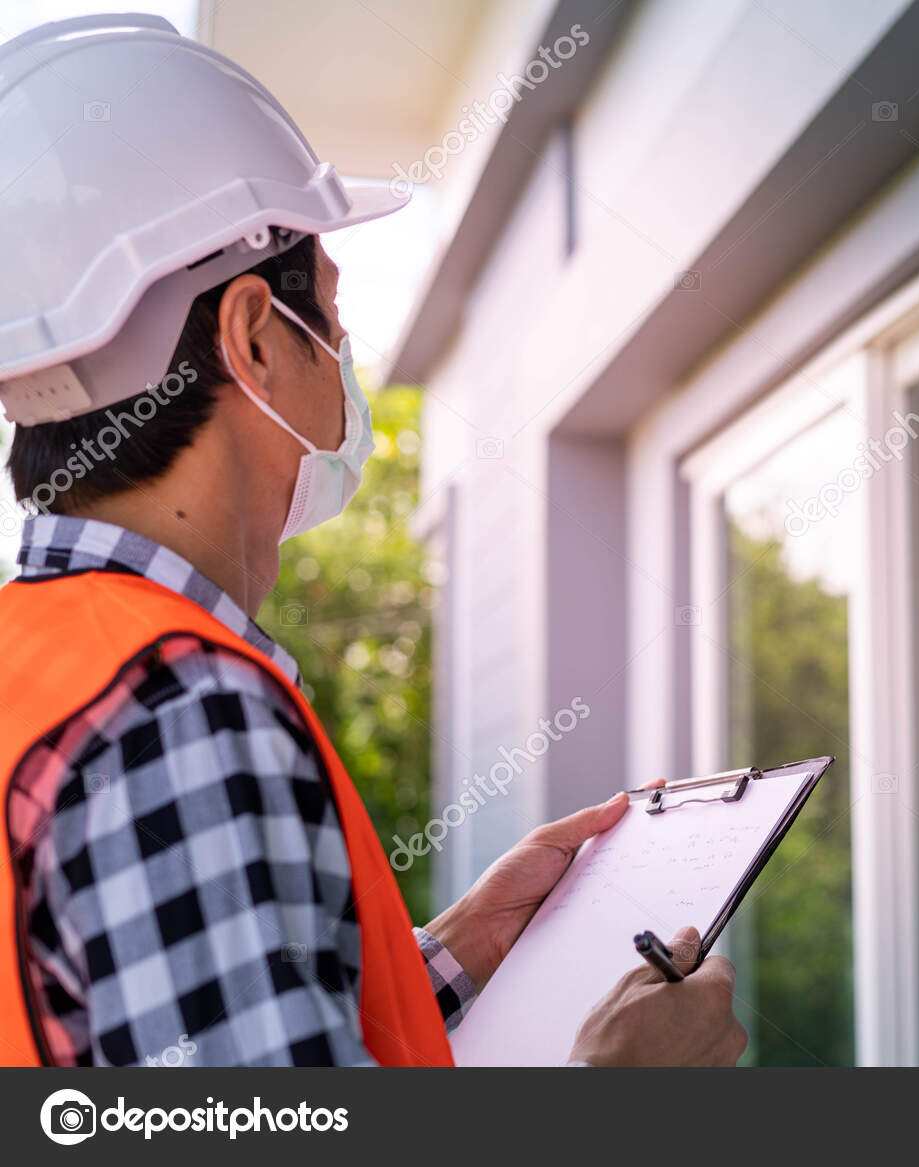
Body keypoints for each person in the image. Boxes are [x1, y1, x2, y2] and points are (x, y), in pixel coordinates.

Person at [0, 13, 745, 1067]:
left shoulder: (44, 668)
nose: (344, 349)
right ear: (254, 337)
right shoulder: (179, 709)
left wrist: (456, 950)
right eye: (330, 314)